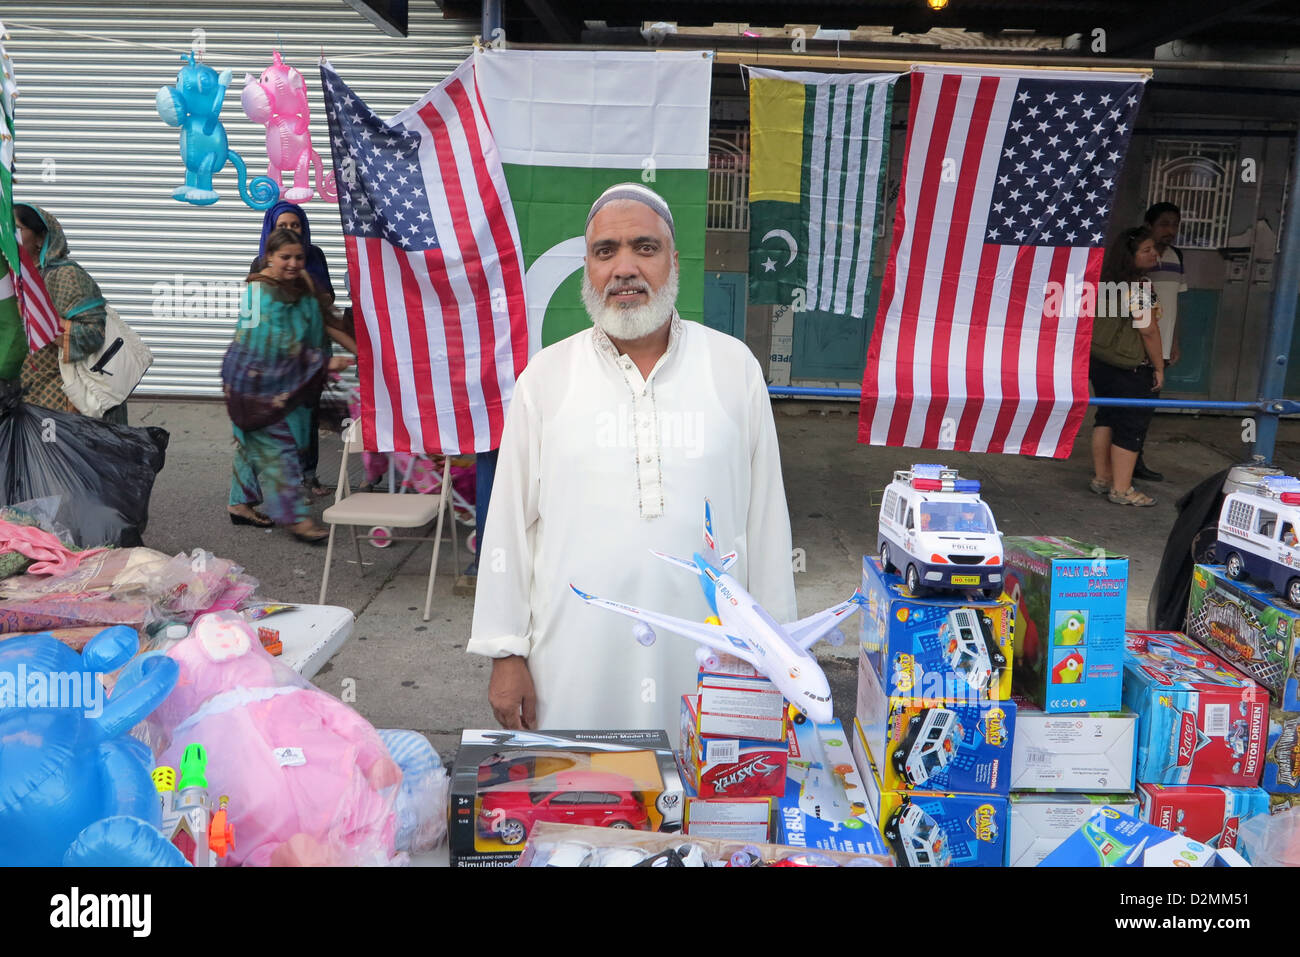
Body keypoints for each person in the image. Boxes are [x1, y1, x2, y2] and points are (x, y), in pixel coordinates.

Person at [467, 183, 797, 732]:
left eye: (644, 248)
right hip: (571, 661)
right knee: (585, 803)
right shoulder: (545, 378)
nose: (625, 268)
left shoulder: (732, 367)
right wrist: (506, 652)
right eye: (605, 252)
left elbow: (765, 521)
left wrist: (778, 651)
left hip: (715, 658)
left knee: (705, 806)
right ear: (589, 272)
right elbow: (508, 527)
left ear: (673, 262)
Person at [225, 227, 352, 543]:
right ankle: (295, 520)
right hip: (258, 385)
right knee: (280, 449)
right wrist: (321, 363)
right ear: (269, 257)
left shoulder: (298, 285)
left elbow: (325, 319)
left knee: (255, 443)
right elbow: (268, 339)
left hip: (288, 382)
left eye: (299, 257)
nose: (293, 263)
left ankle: (239, 502)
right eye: (285, 257)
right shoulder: (258, 294)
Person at [250, 201, 344, 498]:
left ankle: (308, 476)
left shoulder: (314, 256)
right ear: (272, 230)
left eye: (295, 226)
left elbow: (328, 298)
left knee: (308, 414)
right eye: (283, 227)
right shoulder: (261, 263)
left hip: (314, 348)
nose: (290, 231)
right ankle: (259, 487)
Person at [14, 204, 128, 424]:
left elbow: (93, 334)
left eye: (16, 229)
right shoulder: (9, 280)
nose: (8, 236)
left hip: (59, 401)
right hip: (16, 400)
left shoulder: (65, 277)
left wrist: (39, 317)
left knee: (53, 458)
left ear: (40, 238)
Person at [1089, 225, 1165, 507]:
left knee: (1107, 415)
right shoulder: (1140, 286)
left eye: (1154, 249)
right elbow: (1147, 330)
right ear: (1129, 256)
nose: (1154, 254)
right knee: (1131, 424)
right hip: (1131, 366)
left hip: (1100, 361)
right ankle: (1122, 489)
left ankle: (1102, 478)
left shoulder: (1103, 281)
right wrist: (1159, 366)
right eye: (1146, 250)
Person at [1135, 201, 1187, 483]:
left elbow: (1174, 303)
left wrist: (1174, 342)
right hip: (1141, 346)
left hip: (1163, 346)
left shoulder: (1176, 257)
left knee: (1146, 409)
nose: (1171, 230)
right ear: (1148, 226)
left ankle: (1135, 459)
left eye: (1175, 224)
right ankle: (1124, 464)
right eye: (1164, 224)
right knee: (1129, 410)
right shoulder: (1140, 257)